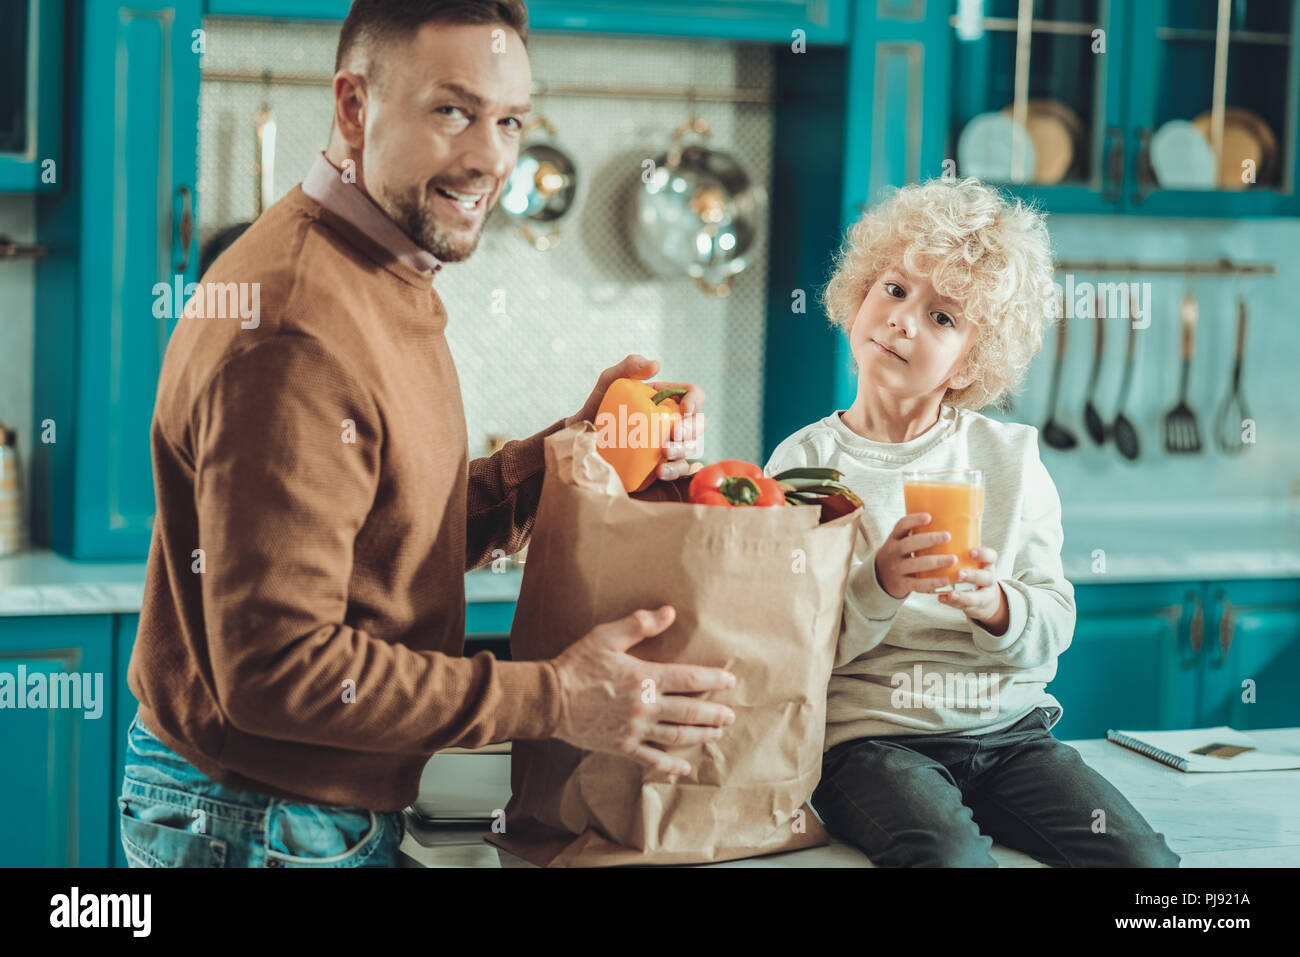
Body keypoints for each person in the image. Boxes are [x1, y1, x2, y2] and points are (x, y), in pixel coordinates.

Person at [119, 0, 735, 869]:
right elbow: (280, 670)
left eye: (511, 119)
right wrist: (557, 698)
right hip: (260, 819)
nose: (489, 157)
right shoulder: (296, 328)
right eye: (452, 111)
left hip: (302, 809)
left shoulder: (378, 268)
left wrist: (572, 452)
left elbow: (397, 531)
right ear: (353, 108)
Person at [763, 177, 1179, 868]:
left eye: (943, 317)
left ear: (970, 362)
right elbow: (784, 646)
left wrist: (998, 605)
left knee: (1145, 864)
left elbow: (1054, 616)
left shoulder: (1009, 458)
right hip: (870, 740)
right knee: (948, 857)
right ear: (859, 290)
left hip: (1012, 735)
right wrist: (879, 584)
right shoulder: (806, 464)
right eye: (894, 289)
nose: (903, 320)